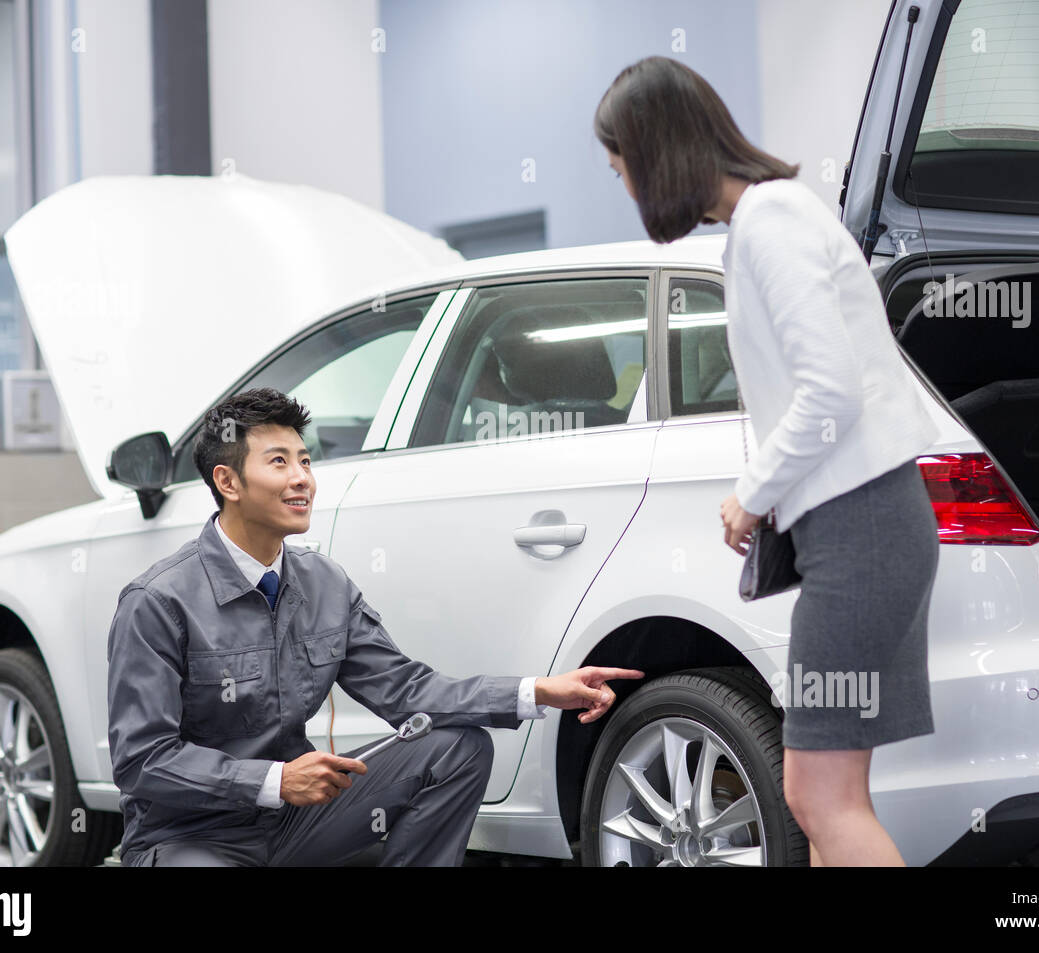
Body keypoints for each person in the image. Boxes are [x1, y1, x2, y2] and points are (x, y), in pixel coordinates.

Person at [594, 56, 940, 866]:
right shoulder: (771, 219)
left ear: (658, 152)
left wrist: (750, 496)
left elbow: (830, 393)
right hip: (865, 529)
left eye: (623, 169)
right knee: (828, 798)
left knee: (819, 796)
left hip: (862, 530)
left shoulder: (772, 222)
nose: (627, 187)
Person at [107, 387, 643, 866]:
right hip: (189, 836)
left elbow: (407, 691)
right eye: (278, 462)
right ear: (228, 481)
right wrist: (275, 780)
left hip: (296, 824)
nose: (302, 479)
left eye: (306, 461)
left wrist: (540, 691)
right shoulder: (157, 601)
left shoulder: (325, 585)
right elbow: (142, 761)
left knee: (457, 748)